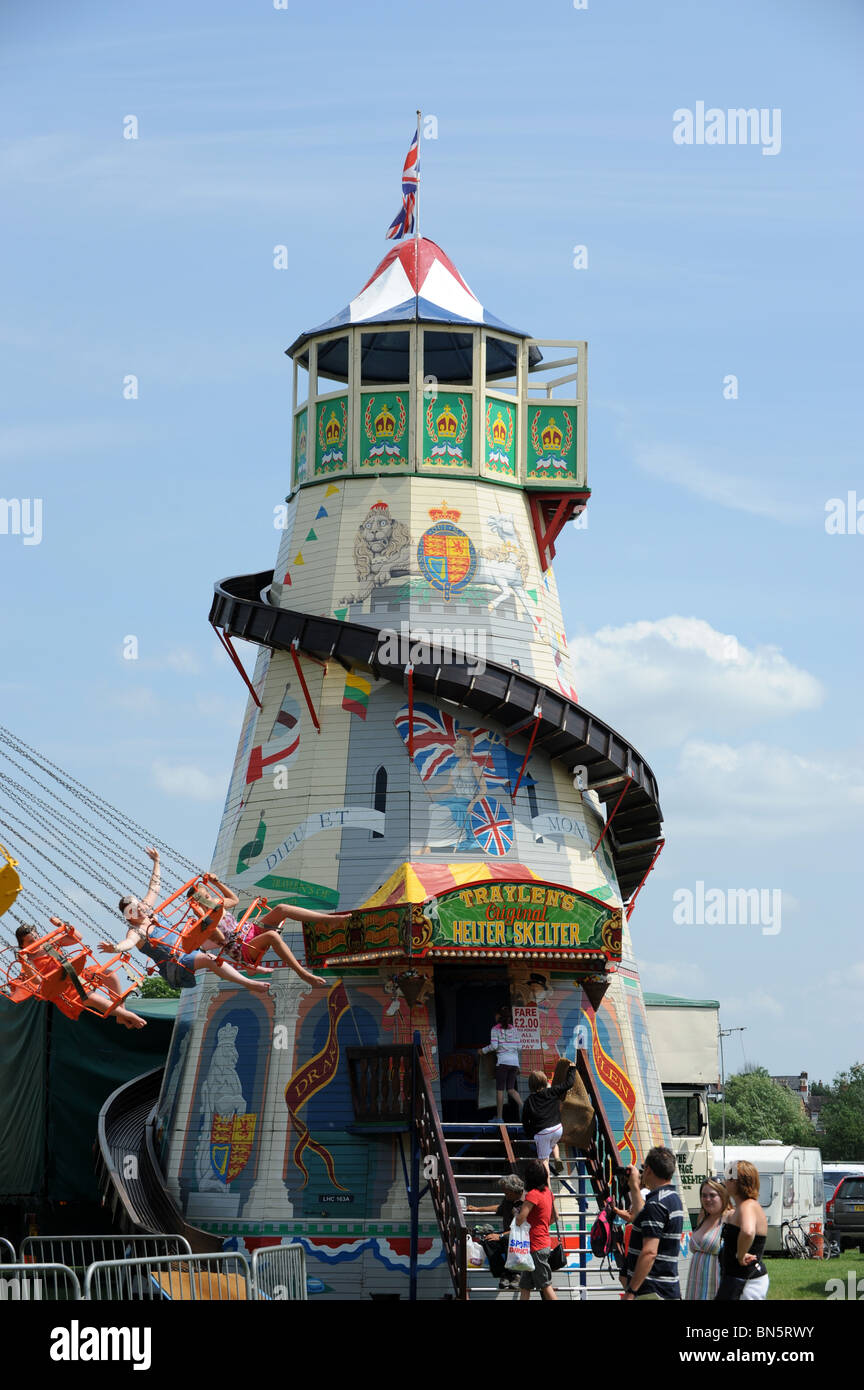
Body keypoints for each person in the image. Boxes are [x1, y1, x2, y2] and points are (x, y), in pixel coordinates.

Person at [108, 849, 270, 996]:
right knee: (210, 959)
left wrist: (157, 862)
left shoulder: (147, 910)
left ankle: (251, 966)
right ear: (129, 917)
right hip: (176, 963)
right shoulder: (136, 931)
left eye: (139, 905)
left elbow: (154, 887)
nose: (140, 909)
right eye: (134, 910)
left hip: (187, 948)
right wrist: (116, 948)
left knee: (218, 937)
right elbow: (128, 943)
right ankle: (249, 983)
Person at [185, 874, 345, 987]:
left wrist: (216, 883)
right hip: (243, 949)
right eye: (205, 898)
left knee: (282, 909)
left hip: (251, 930)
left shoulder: (217, 905)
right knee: (272, 936)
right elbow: (219, 938)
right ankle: (302, 973)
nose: (210, 899)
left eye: (208, 895)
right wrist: (203, 914)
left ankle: (328, 920)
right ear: (198, 906)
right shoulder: (203, 924)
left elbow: (234, 900)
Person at [13, 922, 146, 1029]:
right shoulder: (29, 961)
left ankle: (120, 1014)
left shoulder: (49, 943)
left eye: (36, 937)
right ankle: (127, 1015)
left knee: (109, 975)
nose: (36, 941)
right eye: (31, 941)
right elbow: (36, 981)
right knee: (89, 997)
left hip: (74, 973)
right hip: (62, 988)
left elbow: (77, 938)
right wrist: (24, 962)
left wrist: (64, 926)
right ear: (22, 945)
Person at [619, 1147, 684, 1300]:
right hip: (666, 1287)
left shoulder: (656, 1204)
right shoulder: (672, 1198)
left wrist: (631, 1291)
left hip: (652, 1290)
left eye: (644, 1168)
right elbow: (643, 1218)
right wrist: (635, 1187)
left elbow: (650, 1252)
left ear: (648, 1170)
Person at [716, 1160, 769, 1301]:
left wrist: (740, 1255)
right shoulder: (743, 1207)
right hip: (738, 1278)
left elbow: (748, 1232)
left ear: (736, 1182)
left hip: (746, 1280)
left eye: (728, 1178)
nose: (725, 1181)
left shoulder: (748, 1206)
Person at [466, 1173, 525, 1291]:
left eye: (507, 1192)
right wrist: (478, 1209)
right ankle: (503, 1274)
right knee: (488, 1240)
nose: (505, 1195)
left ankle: (515, 1275)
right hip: (506, 1234)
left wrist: (501, 1235)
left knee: (509, 1238)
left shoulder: (526, 1203)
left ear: (515, 1191)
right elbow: (499, 1208)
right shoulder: (509, 1199)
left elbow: (522, 1229)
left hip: (521, 1238)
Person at [521, 1060, 575, 1175]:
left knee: (544, 1162)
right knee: (552, 1142)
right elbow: (569, 1083)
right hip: (557, 1129)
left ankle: (548, 1189)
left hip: (543, 1132)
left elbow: (525, 1121)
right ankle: (557, 1157)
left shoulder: (528, 1101)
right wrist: (572, 1069)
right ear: (545, 1082)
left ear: (530, 1085)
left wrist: (530, 1134)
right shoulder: (552, 1091)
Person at [516, 1158, 557, 1302]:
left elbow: (520, 1219)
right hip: (542, 1243)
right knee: (525, 1286)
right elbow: (555, 1217)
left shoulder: (533, 1194)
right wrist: (542, 1224)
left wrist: (517, 1214)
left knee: (545, 1285)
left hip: (535, 1247)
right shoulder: (548, 1193)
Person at [685, 1178, 730, 1300]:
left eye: (712, 1195)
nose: (707, 1199)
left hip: (717, 1283)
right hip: (695, 1284)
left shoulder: (730, 1218)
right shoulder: (702, 1218)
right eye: (704, 1195)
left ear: (723, 1196)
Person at [479, 1005, 522, 1121]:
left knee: (500, 1090)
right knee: (511, 1089)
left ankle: (499, 1118)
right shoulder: (514, 1029)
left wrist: (482, 1051)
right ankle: (526, 1109)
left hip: (503, 1063)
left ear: (498, 1016)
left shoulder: (495, 1029)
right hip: (514, 1063)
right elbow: (519, 1047)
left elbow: (494, 1046)